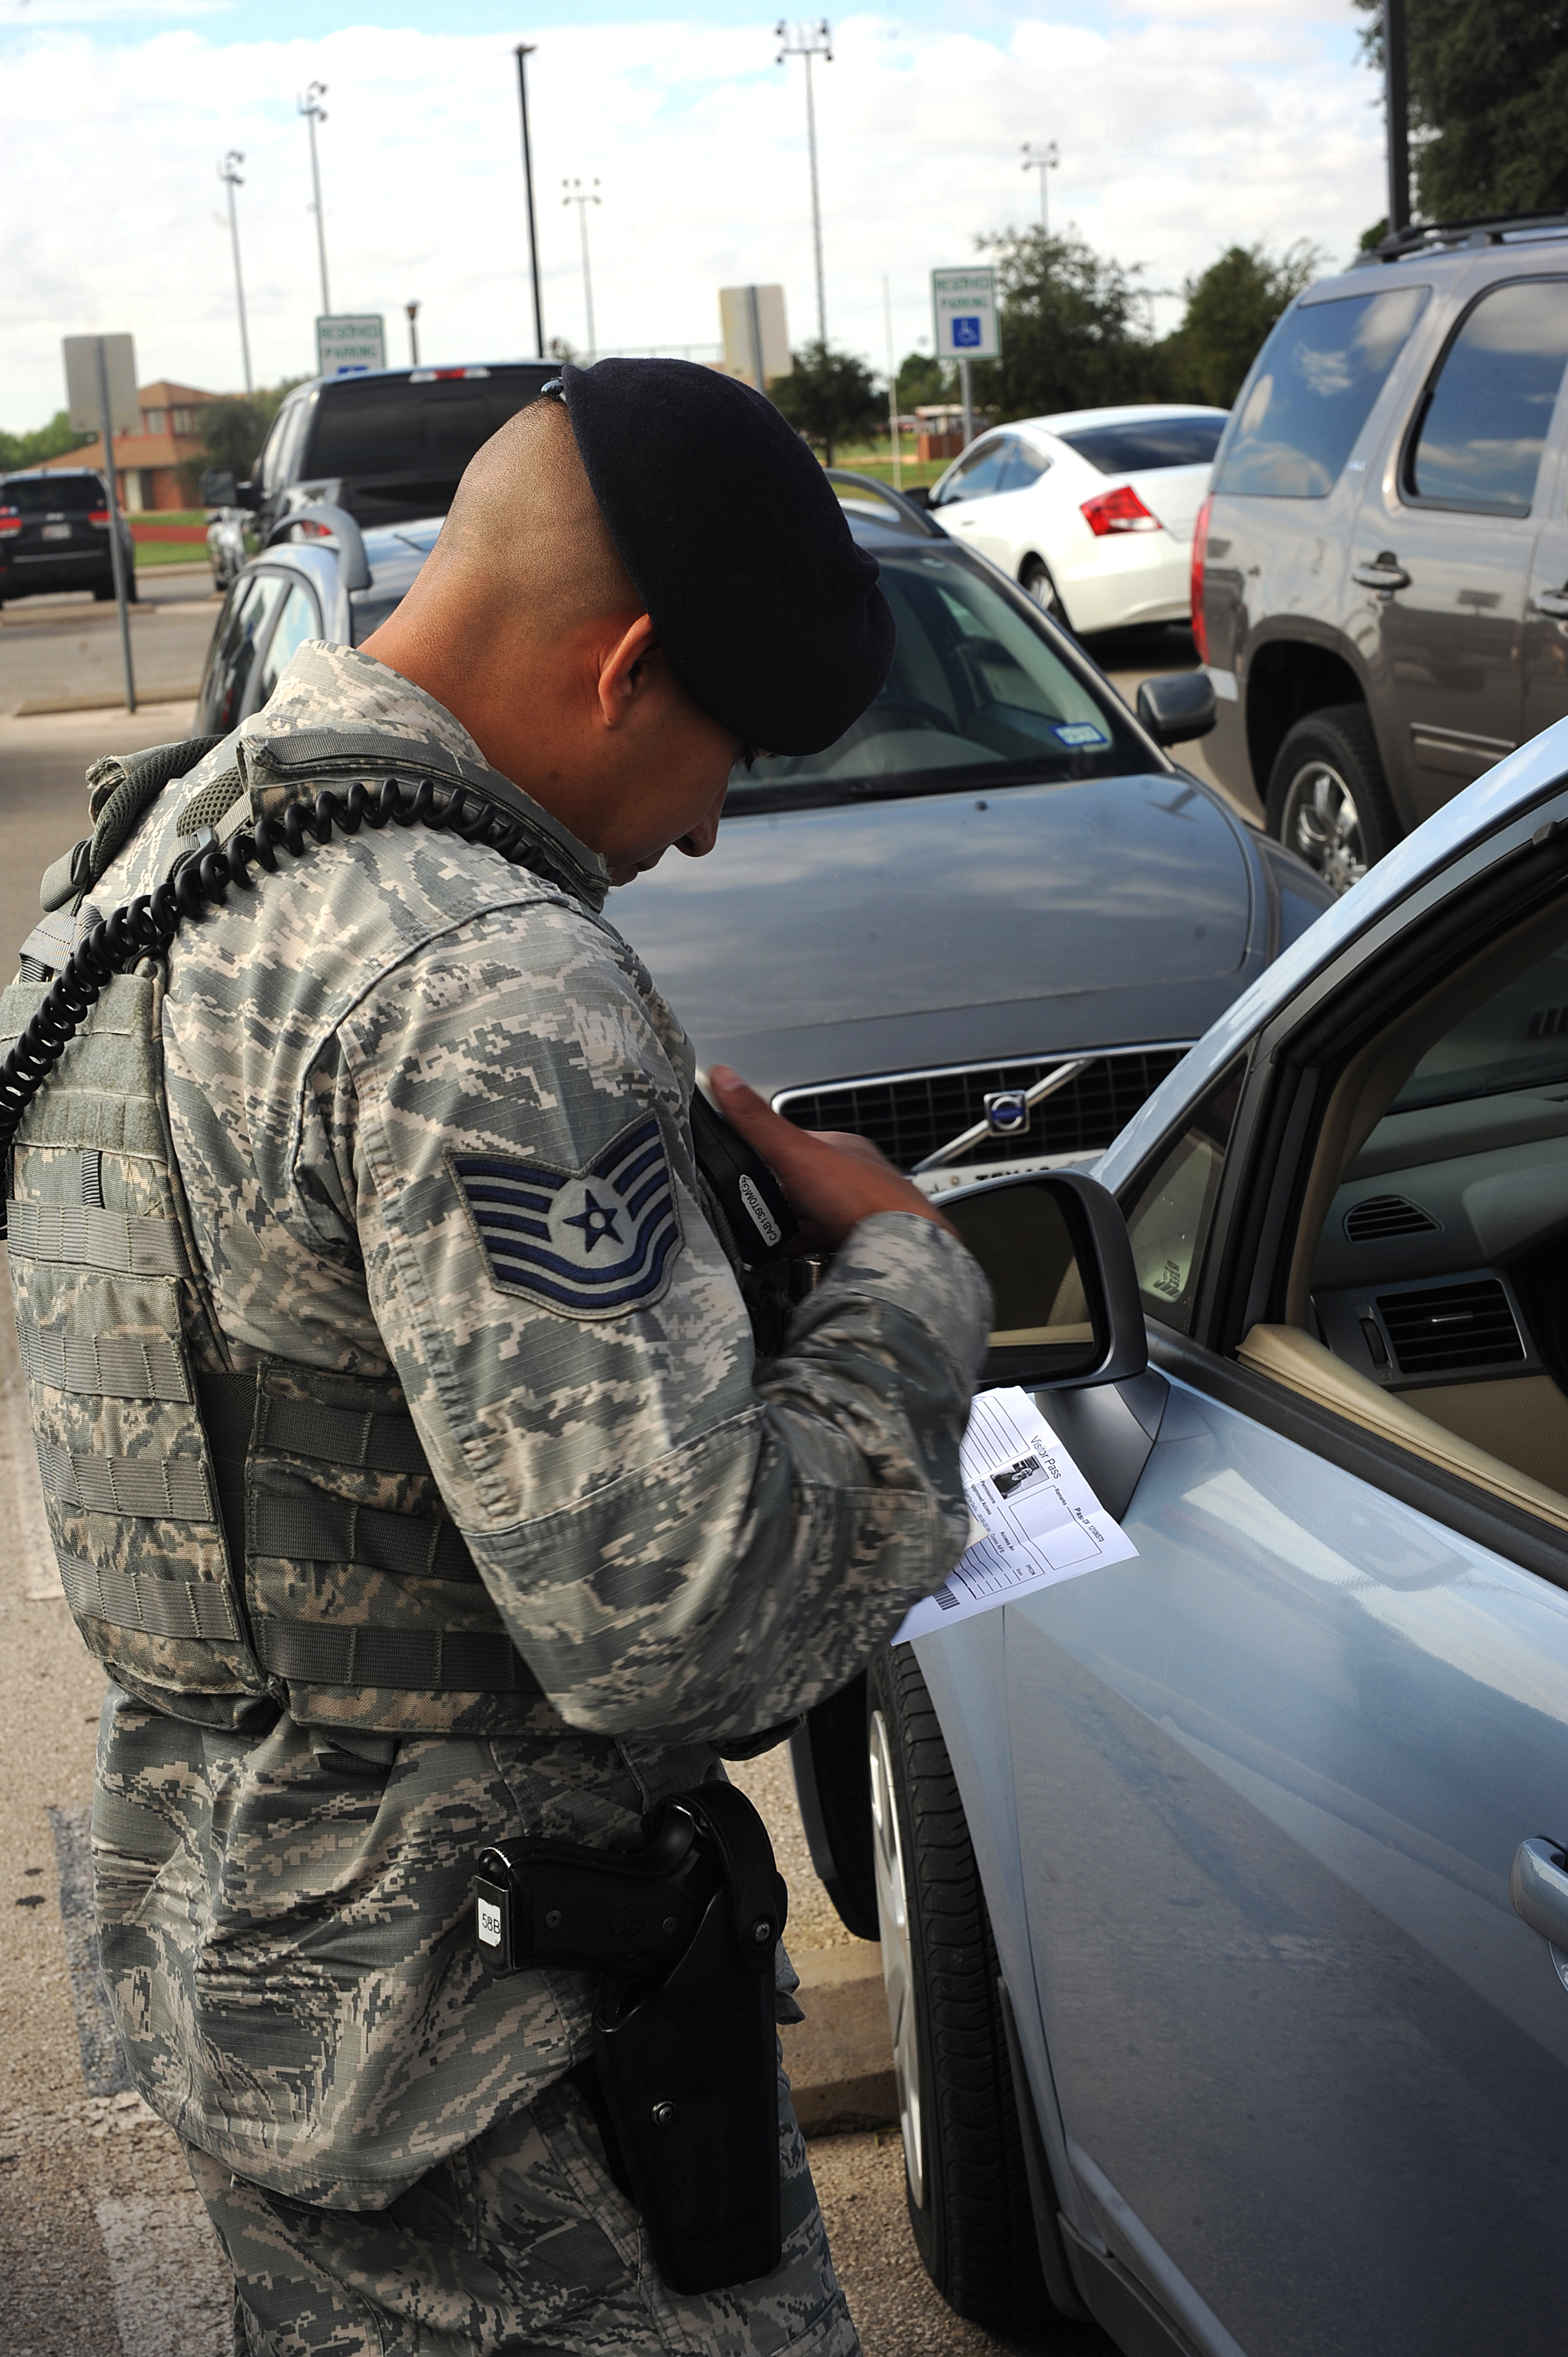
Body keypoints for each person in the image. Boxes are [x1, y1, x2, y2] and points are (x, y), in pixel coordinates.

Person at [6, 361, 991, 2354]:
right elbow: (683, 1620)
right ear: (625, 667)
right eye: (728, 752)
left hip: (250, 1976)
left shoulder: (132, 877)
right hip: (514, 2081)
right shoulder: (484, 986)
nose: (708, 830)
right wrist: (901, 1283)